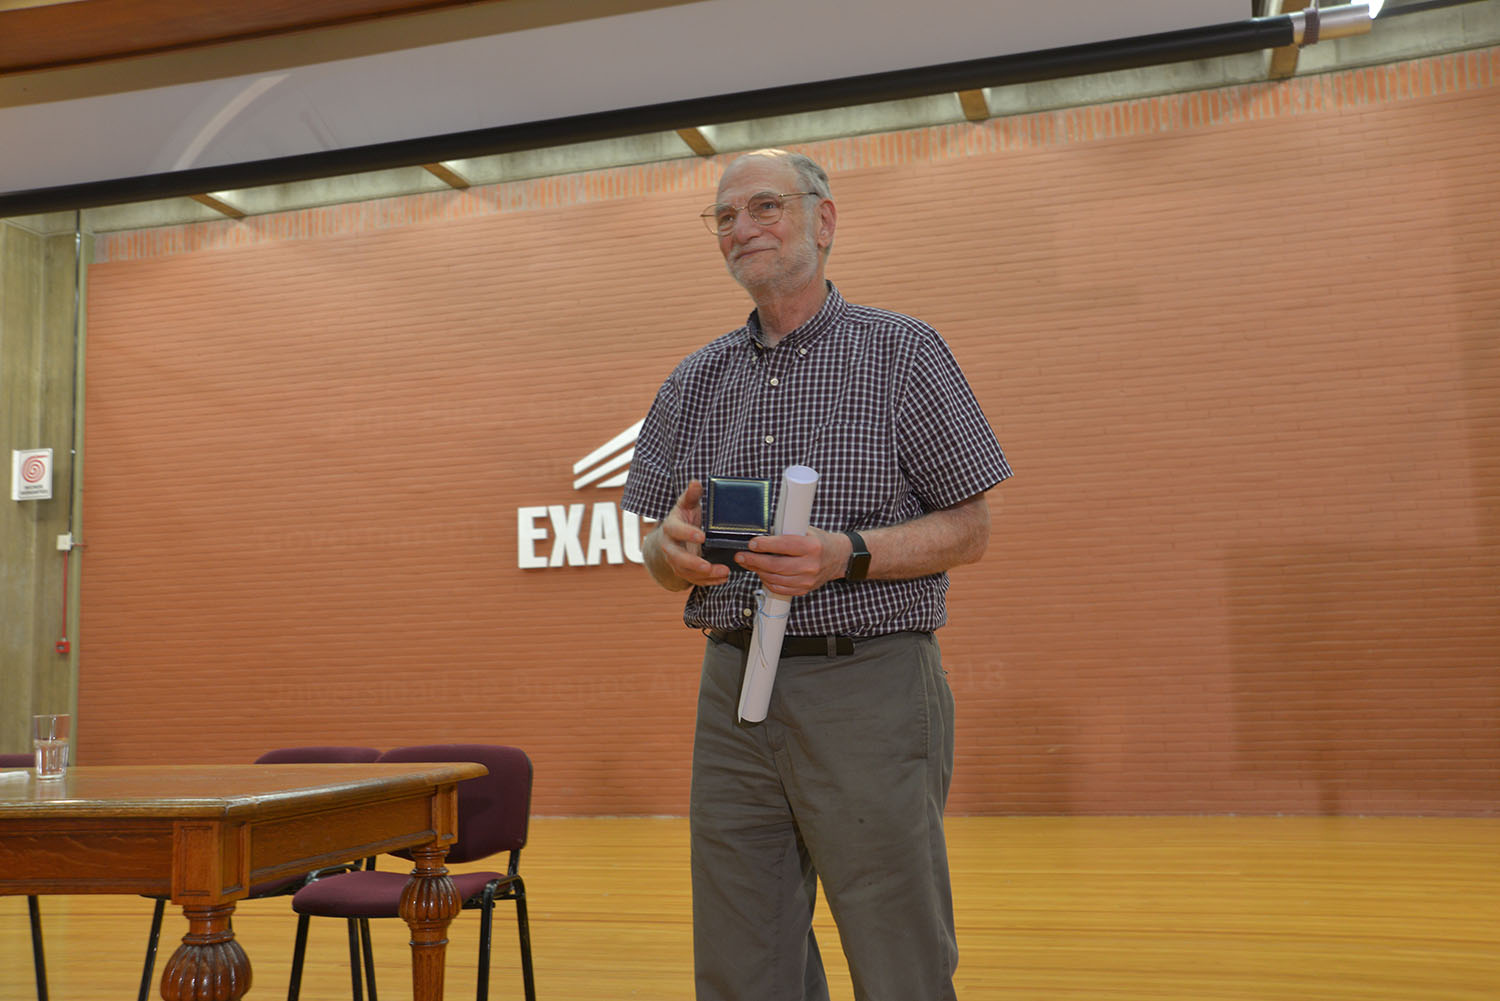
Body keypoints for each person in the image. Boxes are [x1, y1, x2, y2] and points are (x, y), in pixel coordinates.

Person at [622, 148, 1011, 1001]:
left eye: (764, 206)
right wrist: (667, 554)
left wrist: (848, 554)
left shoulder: (903, 352)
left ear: (824, 221)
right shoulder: (695, 380)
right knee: (740, 954)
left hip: (866, 683)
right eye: (724, 217)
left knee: (895, 949)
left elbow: (970, 528)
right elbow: (651, 539)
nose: (741, 229)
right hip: (731, 691)